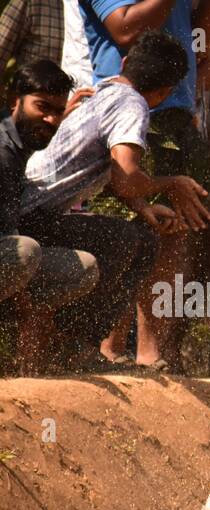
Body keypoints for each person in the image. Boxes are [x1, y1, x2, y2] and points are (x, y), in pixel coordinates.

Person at [19, 33, 206, 368]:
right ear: (164, 93)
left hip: (26, 211)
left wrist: (143, 207)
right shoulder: (132, 104)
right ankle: (76, 345)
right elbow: (127, 177)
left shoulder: (100, 91)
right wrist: (172, 183)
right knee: (128, 240)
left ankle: (78, 344)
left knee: (132, 236)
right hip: (33, 218)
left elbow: (107, 171)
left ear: (124, 64)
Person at [81, 0, 210, 370]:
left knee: (172, 231)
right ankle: (109, 348)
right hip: (128, 114)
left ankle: (149, 353)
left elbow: (203, 41)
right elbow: (124, 28)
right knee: (125, 232)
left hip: (176, 113)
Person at [0, 61, 99, 373]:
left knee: (82, 267)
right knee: (24, 252)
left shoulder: (22, 143)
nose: (51, 119)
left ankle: (24, 357)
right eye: (42, 107)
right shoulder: (2, 151)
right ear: (14, 100)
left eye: (58, 111)